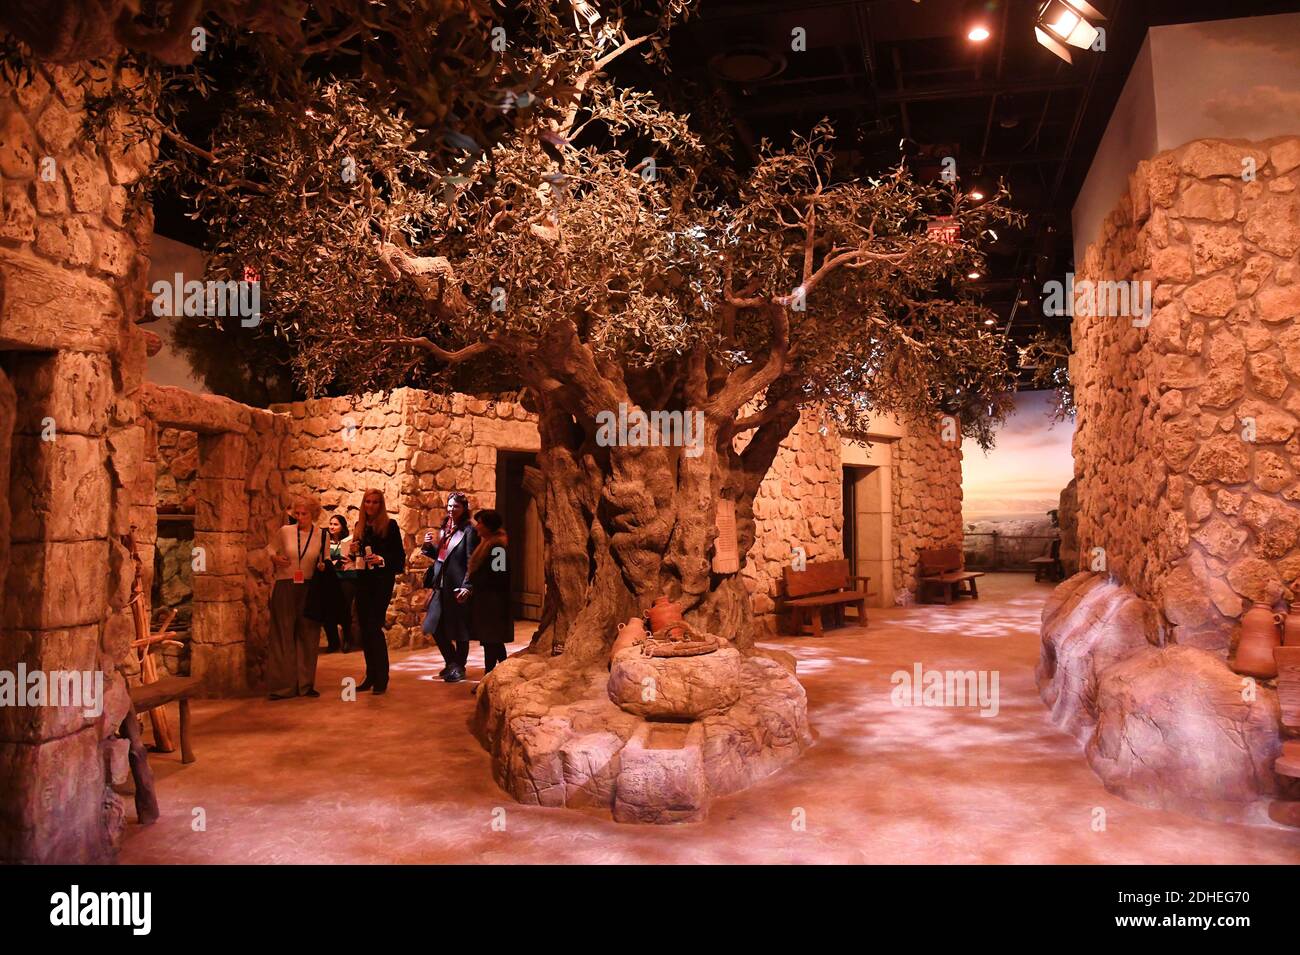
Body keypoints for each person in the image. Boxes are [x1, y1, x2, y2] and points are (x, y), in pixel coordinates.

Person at [267, 495, 327, 700]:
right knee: (283, 635)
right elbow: (269, 549)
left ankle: (305, 684)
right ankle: (284, 686)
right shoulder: (285, 532)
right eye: (297, 513)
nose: (299, 517)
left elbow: (325, 559)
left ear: (313, 515)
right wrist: (275, 558)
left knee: (309, 636)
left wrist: (322, 565)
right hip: (285, 585)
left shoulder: (321, 535)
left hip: (311, 588)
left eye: (304, 514)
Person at [352, 489, 406, 695]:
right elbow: (358, 556)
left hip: (381, 582)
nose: (371, 506)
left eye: (375, 502)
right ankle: (371, 674)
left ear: (380, 505)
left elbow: (399, 557)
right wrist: (354, 551)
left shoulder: (389, 526)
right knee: (365, 629)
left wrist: (382, 559)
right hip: (363, 581)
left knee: (374, 627)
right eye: (368, 502)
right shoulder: (360, 526)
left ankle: (382, 677)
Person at [421, 492, 478, 684]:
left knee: (460, 629)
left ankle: (459, 667)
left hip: (457, 585)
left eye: (456, 507)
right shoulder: (445, 527)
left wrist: (467, 585)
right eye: (450, 506)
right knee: (434, 626)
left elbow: (471, 559)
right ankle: (452, 662)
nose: (452, 510)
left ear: (464, 509)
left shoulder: (469, 530)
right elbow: (442, 556)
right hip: (441, 585)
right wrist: (428, 547)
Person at [465, 508, 513, 685]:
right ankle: (493, 677)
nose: (478, 526)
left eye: (481, 523)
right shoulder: (487, 543)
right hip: (486, 601)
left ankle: (491, 677)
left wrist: (476, 578)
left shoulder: (497, 547)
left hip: (494, 603)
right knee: (490, 642)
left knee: (493, 641)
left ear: (489, 526)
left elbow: (498, 575)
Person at [321, 514, 359, 653]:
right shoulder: (324, 541)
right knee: (327, 610)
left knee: (345, 608)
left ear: (342, 526)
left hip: (347, 577)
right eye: (331, 523)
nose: (332, 526)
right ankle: (333, 642)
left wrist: (351, 557)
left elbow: (357, 558)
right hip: (330, 578)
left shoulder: (348, 541)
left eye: (336, 524)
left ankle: (347, 640)